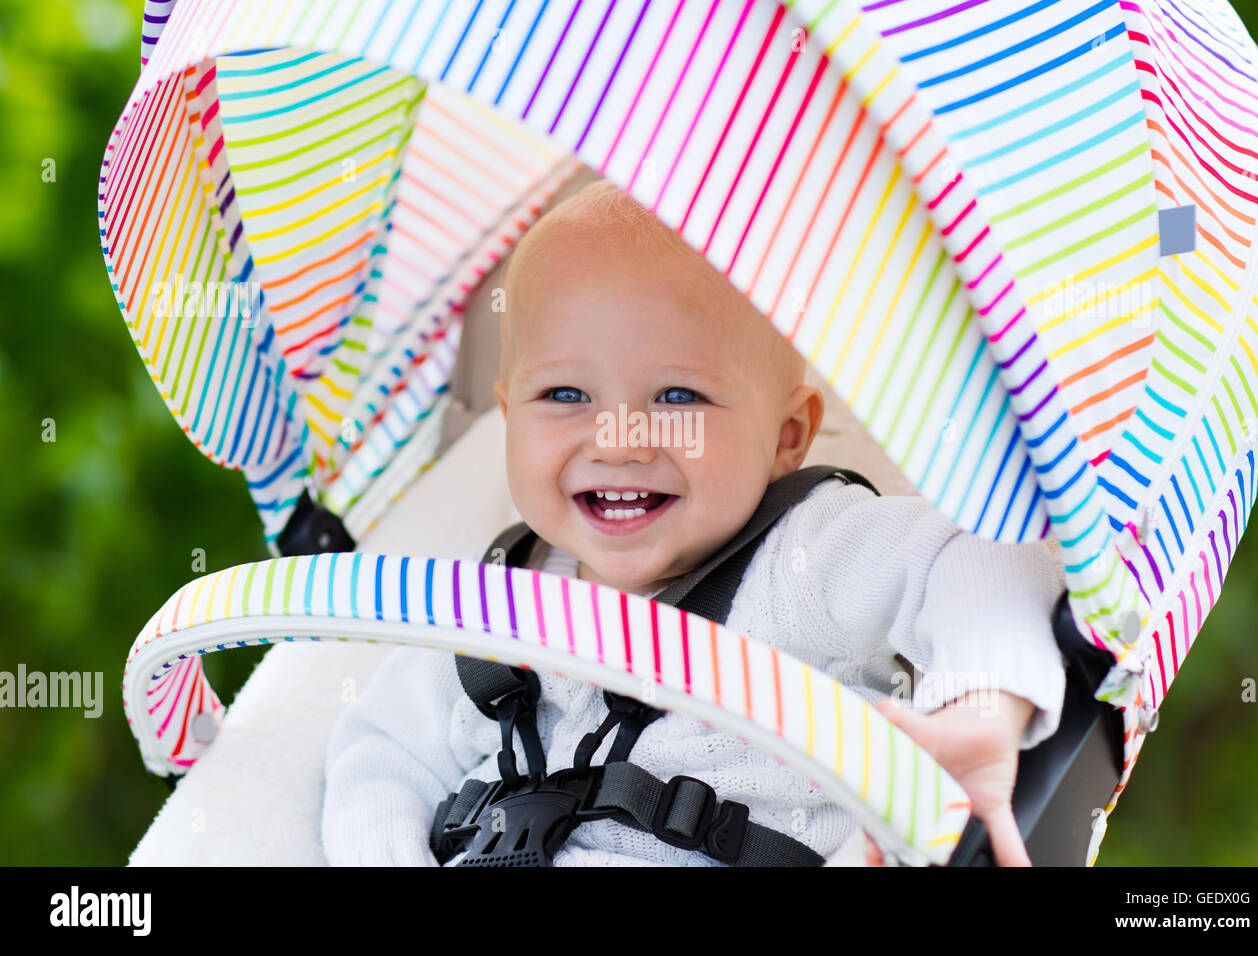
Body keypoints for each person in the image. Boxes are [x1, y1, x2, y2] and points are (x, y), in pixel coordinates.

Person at [322, 180, 1066, 867]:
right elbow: (383, 756)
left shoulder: (807, 558)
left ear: (786, 438)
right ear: (510, 416)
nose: (618, 440)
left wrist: (980, 705)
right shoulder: (489, 607)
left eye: (678, 396)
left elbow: (987, 554)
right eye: (564, 393)